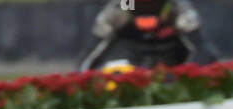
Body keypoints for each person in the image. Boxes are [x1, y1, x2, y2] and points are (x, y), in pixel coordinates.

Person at [81, 0, 214, 70]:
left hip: (171, 70)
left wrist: (184, 76)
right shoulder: (119, 8)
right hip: (128, 76)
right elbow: (90, 56)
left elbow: (202, 51)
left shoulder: (178, 8)